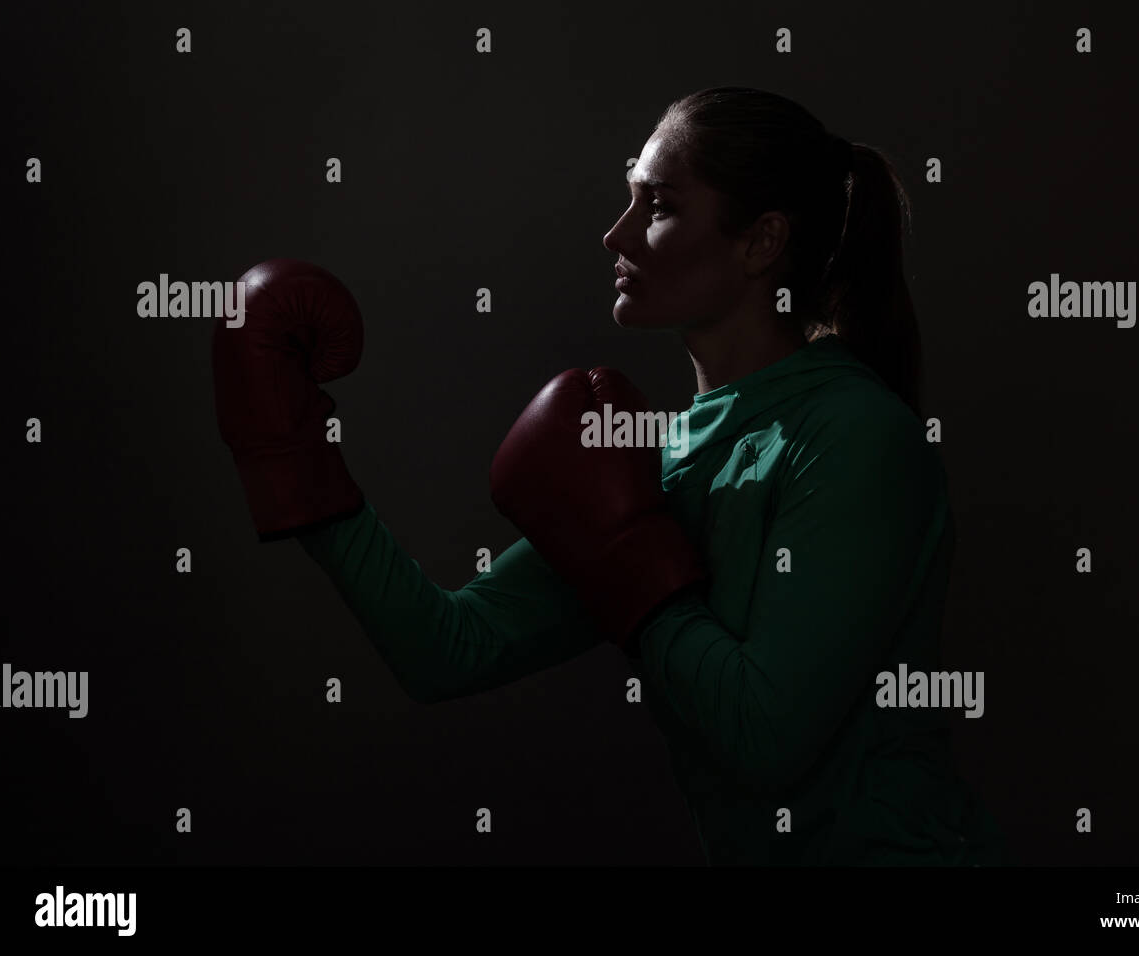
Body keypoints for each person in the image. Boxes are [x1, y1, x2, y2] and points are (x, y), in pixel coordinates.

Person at [212, 86, 1006, 866]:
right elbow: (447, 649)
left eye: (656, 205)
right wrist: (299, 471)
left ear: (761, 242)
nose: (613, 234)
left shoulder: (857, 437)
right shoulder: (656, 462)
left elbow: (766, 737)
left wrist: (632, 565)